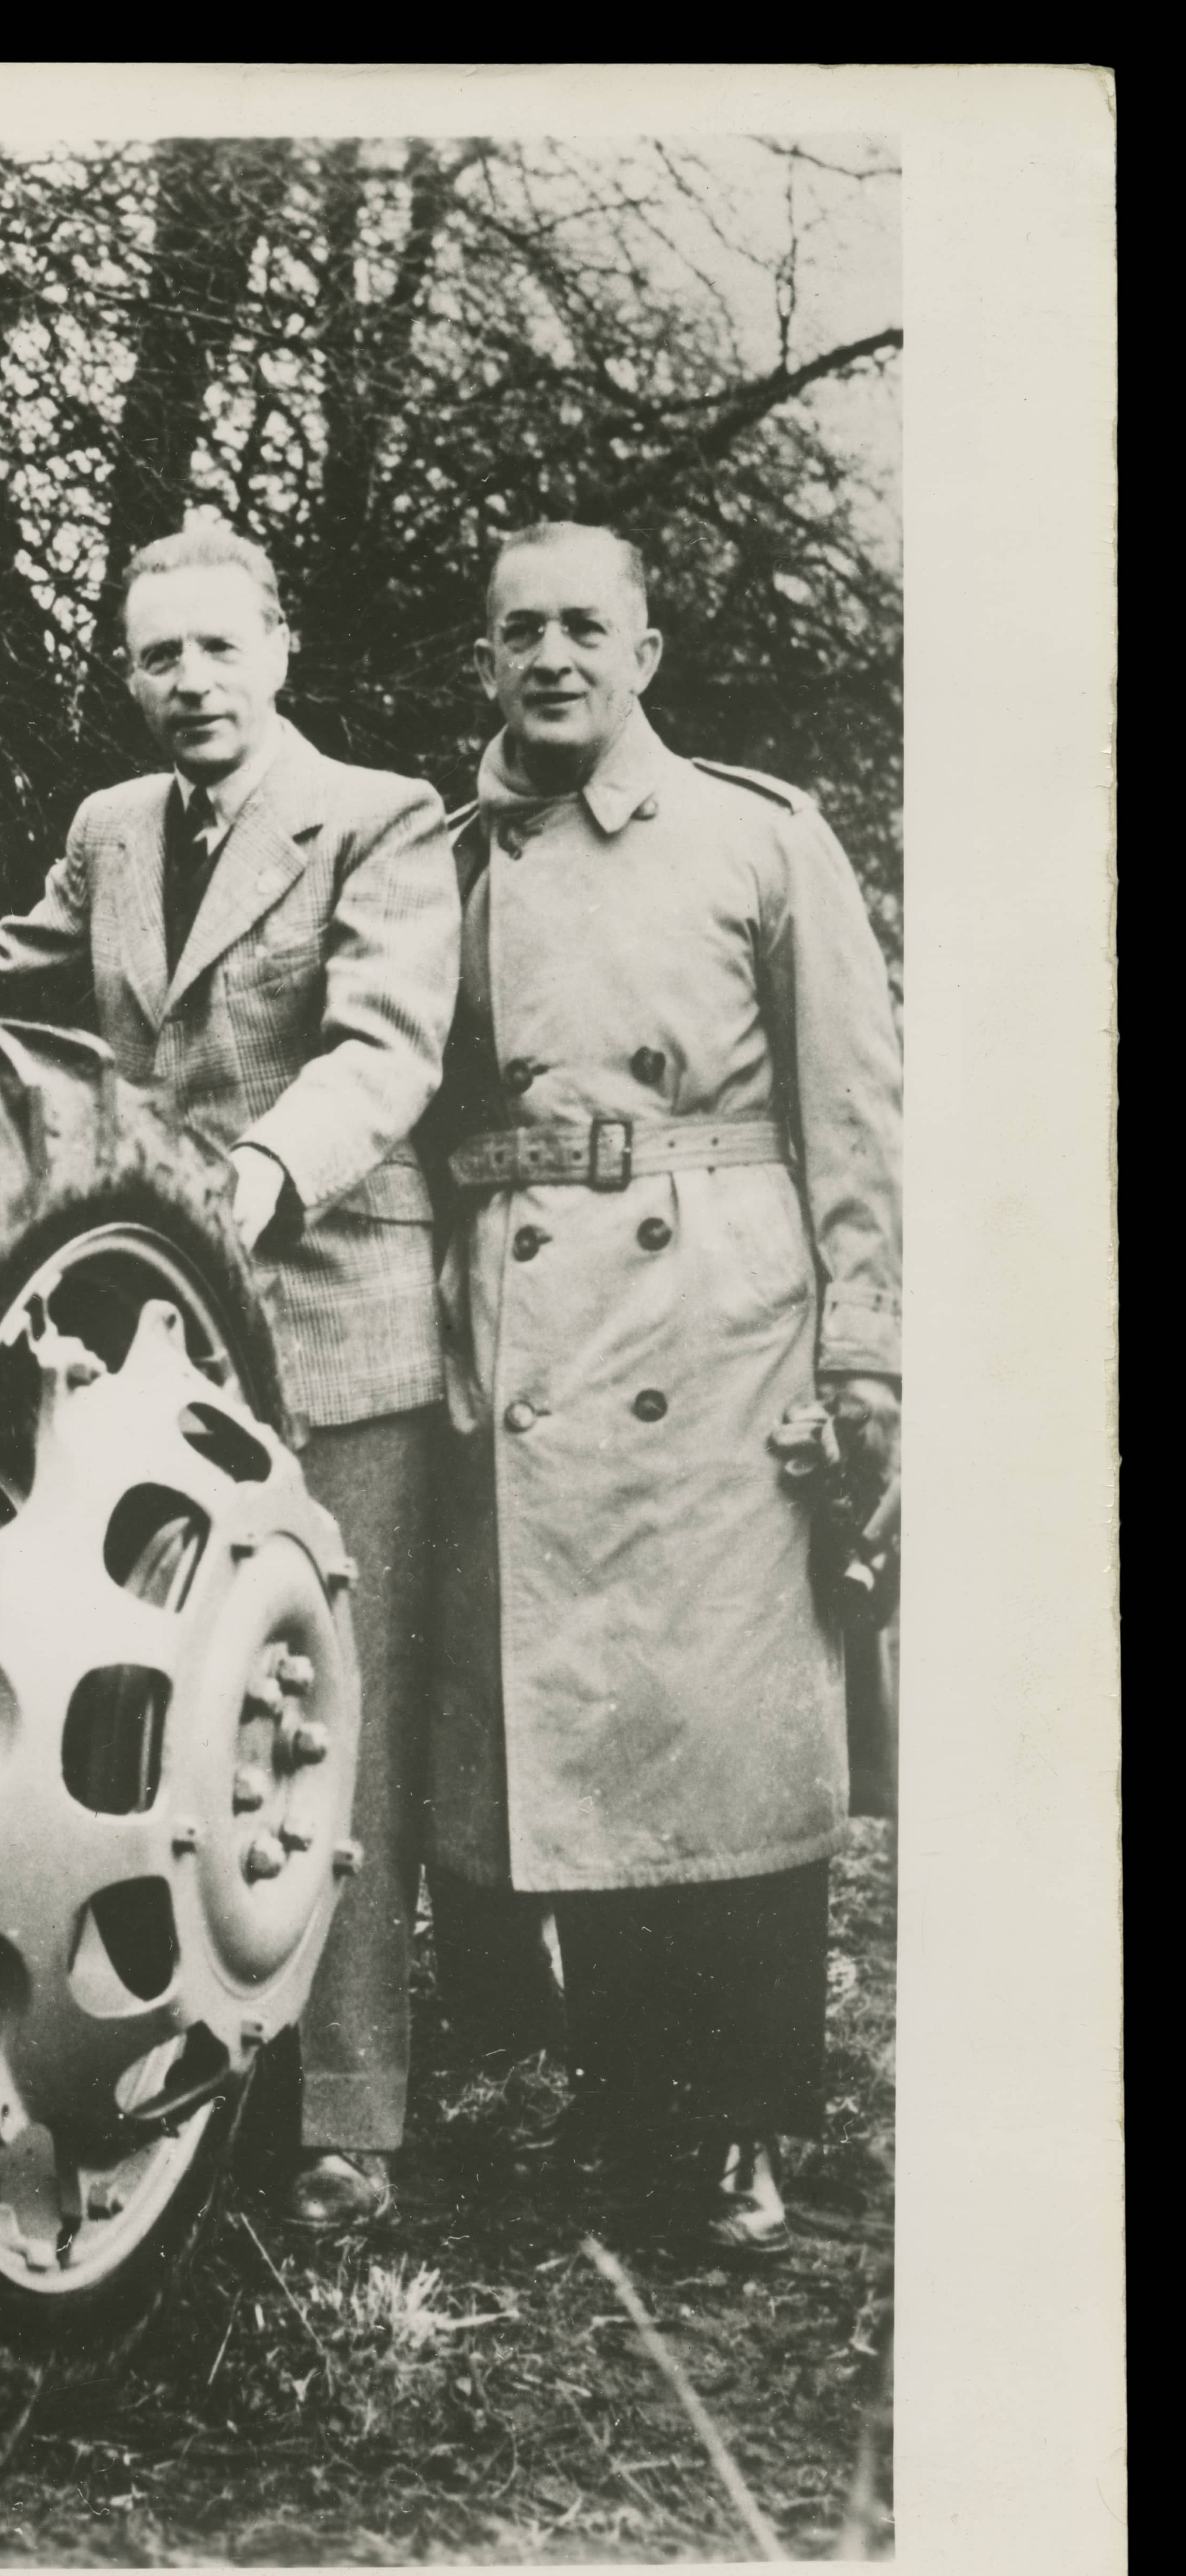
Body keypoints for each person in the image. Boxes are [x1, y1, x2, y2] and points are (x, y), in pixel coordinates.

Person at [0, 521, 461, 2235]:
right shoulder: (105, 833)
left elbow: (386, 1049)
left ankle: (348, 2128)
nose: (187, 688)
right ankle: (174, 2087)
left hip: (331, 1319)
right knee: (159, 1717)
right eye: (157, 658)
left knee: (320, 1722)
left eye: (217, 652)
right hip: (149, 1354)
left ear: (276, 653)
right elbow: (23, 970)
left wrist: (263, 1174)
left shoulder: (377, 820)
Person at [427, 521, 902, 2258]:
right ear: (482, 663)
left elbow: (853, 1112)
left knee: (717, 1731)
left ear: (644, 650)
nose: (548, 657)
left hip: (715, 1324)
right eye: (514, 632)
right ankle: (623, 2112)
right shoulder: (440, 857)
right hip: (519, 1312)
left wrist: (861, 1354)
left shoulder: (754, 839)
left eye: (581, 627)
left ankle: (733, 2132)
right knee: (584, 1721)